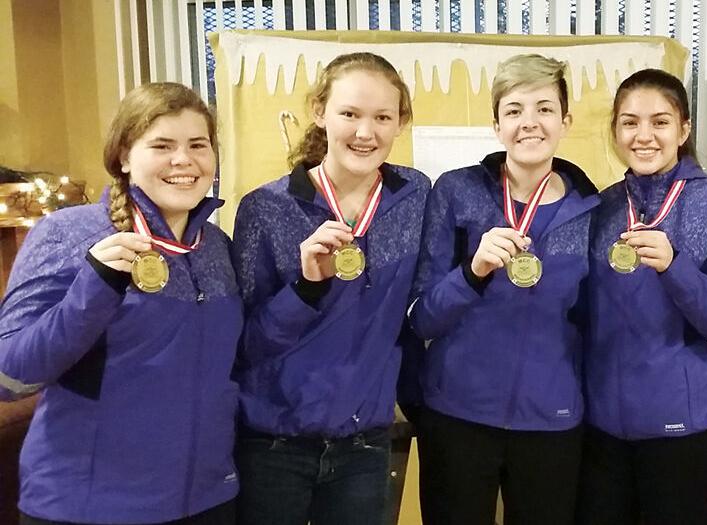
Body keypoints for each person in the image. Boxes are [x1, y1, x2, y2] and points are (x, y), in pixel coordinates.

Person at [0, 82, 241, 524]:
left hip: (206, 501)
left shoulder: (217, 246)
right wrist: (94, 289)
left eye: (198, 145)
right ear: (125, 156)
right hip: (89, 507)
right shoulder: (66, 234)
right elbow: (10, 376)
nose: (183, 160)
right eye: (162, 145)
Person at [230, 52, 429, 525]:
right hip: (274, 443)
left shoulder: (415, 196)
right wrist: (305, 289)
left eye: (382, 116)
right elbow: (246, 346)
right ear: (320, 111)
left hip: (364, 444)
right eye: (350, 114)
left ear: (400, 122)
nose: (366, 132)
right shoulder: (266, 208)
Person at [408, 53, 598, 525]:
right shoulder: (455, 192)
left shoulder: (595, 210)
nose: (529, 123)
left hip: (552, 420)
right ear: (495, 125)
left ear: (565, 120)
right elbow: (421, 317)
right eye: (514, 110)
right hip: (458, 415)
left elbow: (596, 322)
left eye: (544, 109)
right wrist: (471, 273)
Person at [576, 68, 707, 525]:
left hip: (685, 436)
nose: (644, 136)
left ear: (684, 128)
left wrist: (676, 267)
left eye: (659, 122)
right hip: (601, 434)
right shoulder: (602, 207)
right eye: (630, 122)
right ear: (616, 130)